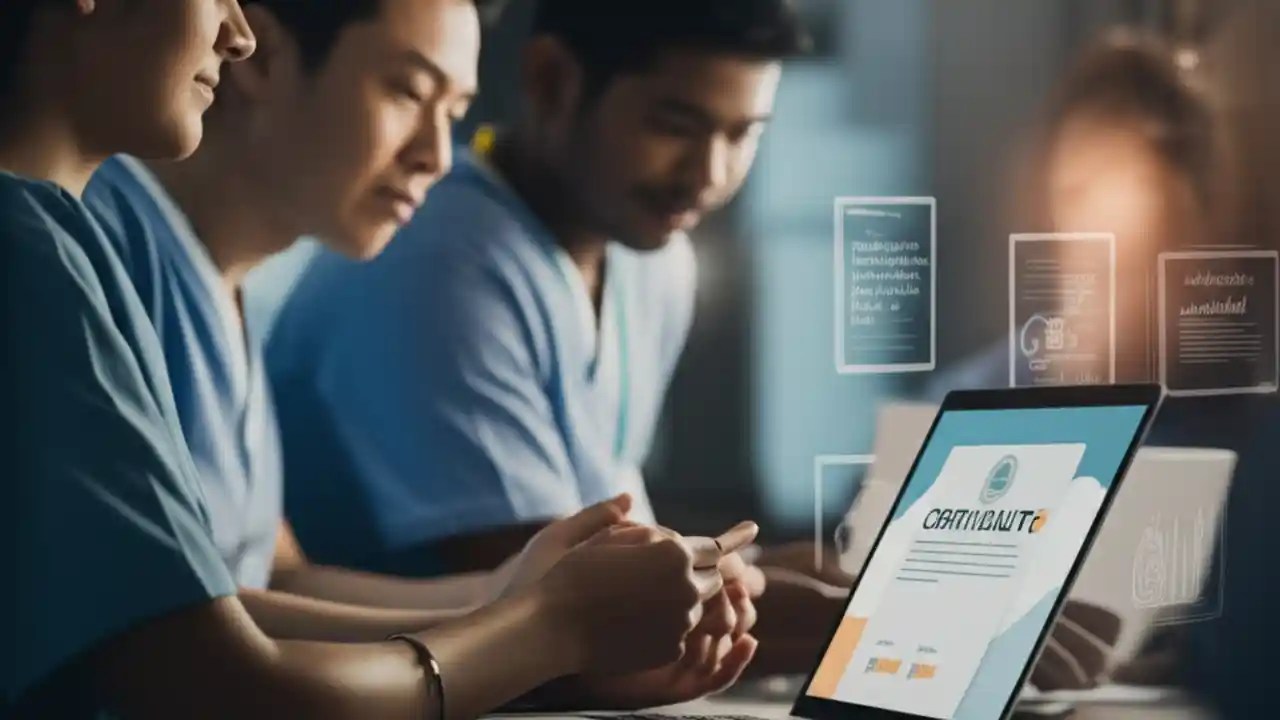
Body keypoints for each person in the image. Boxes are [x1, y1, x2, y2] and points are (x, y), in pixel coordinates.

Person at [2, 2, 758, 717]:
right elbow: (209, 673)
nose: (436, 157)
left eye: (455, 113)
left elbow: (251, 583)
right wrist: (541, 628)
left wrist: (515, 604)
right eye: (407, 90)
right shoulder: (69, 248)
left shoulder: (119, 255)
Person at [262, 0, 852, 673]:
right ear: (552, 80)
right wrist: (878, 618)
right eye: (674, 125)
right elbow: (588, 610)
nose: (709, 174)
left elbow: (633, 571)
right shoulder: (439, 262)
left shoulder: (652, 258)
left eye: (743, 134)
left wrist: (769, 572)